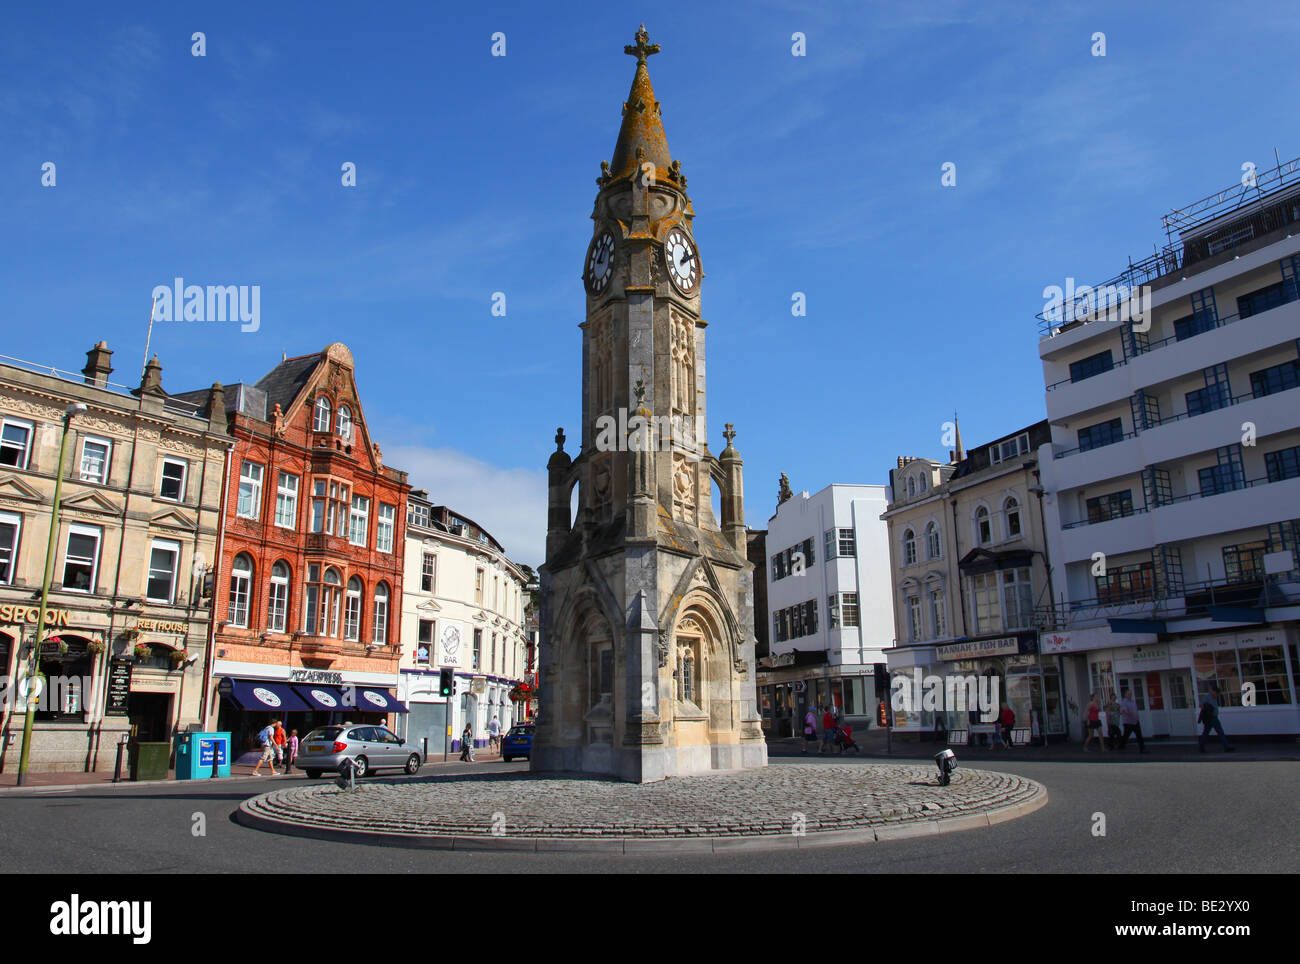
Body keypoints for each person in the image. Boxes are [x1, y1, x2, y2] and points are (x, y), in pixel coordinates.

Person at [1198, 685, 1235, 753]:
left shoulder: (1214, 697)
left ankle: (1226, 746)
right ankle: (1226, 746)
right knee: (1213, 732)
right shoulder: (1207, 696)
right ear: (1213, 691)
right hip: (1210, 718)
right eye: (1216, 693)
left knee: (1214, 732)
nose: (1217, 695)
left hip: (1214, 717)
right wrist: (1207, 709)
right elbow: (1201, 705)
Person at [1118, 688, 1148, 753]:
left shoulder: (1133, 702)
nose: (1130, 695)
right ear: (1125, 695)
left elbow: (1135, 710)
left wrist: (1136, 716)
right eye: (1128, 694)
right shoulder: (1124, 702)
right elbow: (1125, 711)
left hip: (1135, 721)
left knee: (1139, 735)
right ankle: (1121, 745)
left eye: (1130, 694)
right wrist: (1133, 715)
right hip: (1128, 722)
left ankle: (1142, 749)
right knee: (1126, 735)